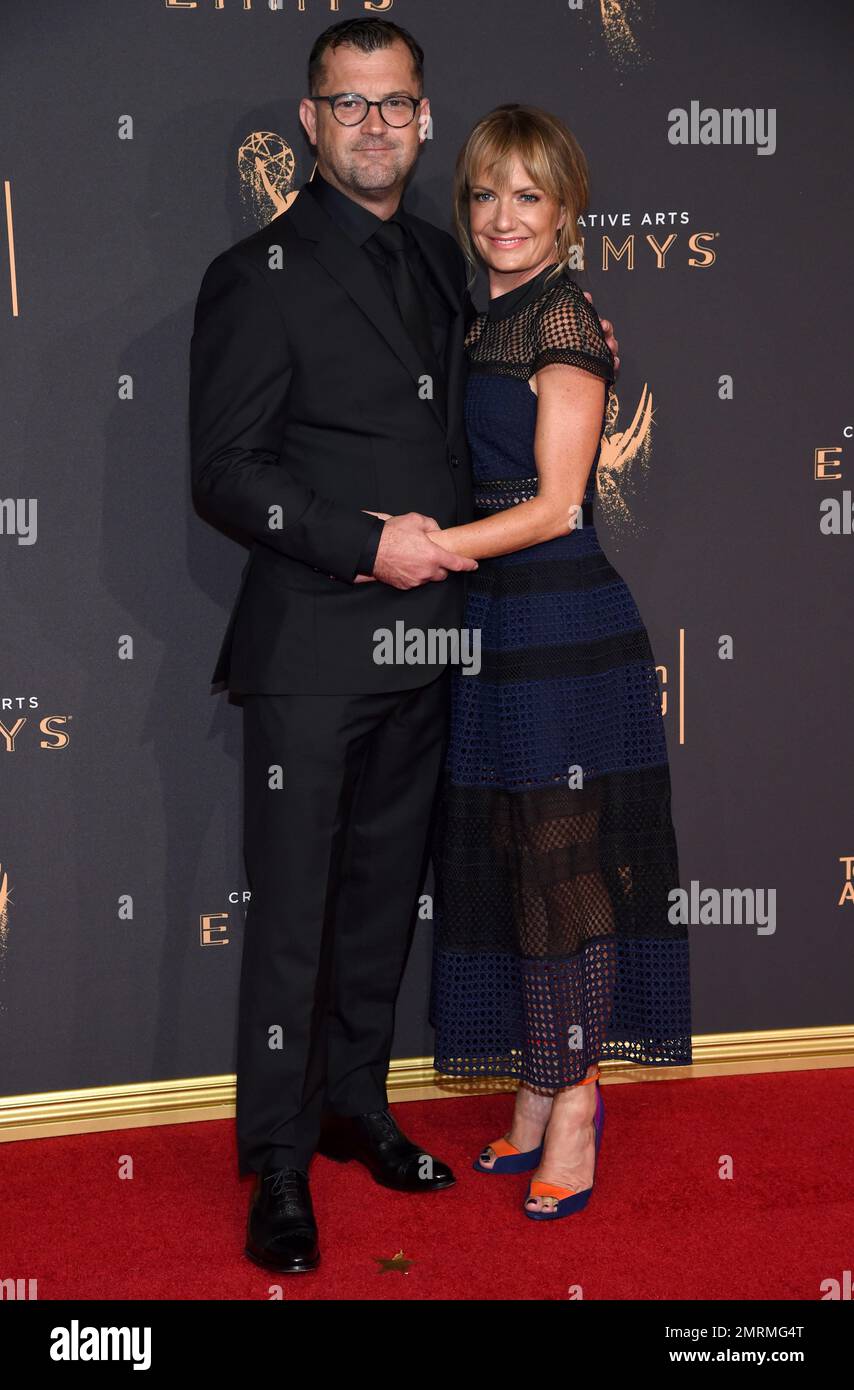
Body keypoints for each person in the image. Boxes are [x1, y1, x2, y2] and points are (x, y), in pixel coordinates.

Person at [189, 18, 619, 1272]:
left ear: (423, 118)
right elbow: (223, 474)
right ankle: (275, 1161)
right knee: (290, 920)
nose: (373, 124)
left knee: (381, 904)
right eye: (348, 103)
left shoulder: (451, 263)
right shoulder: (251, 274)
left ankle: (354, 1106)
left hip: (439, 645)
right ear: (309, 120)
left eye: (394, 104)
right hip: (314, 644)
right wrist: (357, 542)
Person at [428, 103, 692, 1220]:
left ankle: (576, 1099)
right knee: (514, 860)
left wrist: (429, 548)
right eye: (485, 193)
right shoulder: (479, 314)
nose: (502, 216)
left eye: (527, 196)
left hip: (559, 625)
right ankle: (541, 1083)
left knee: (565, 870)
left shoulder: (565, 324)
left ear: (567, 211)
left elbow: (549, 506)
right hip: (494, 627)